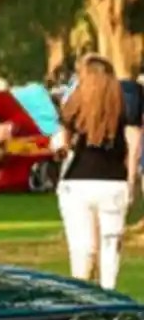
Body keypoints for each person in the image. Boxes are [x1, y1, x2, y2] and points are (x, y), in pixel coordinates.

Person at [53, 55, 141, 290]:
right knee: (110, 246)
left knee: (82, 249)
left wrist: (61, 149)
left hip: (77, 182)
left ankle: (82, 297)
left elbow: (63, 143)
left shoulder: (75, 104)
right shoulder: (125, 103)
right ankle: (108, 296)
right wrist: (131, 181)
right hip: (113, 181)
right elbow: (133, 146)